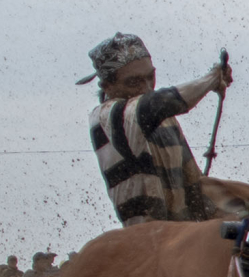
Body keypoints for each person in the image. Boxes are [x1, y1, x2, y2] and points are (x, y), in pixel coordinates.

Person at [78, 32, 233, 226]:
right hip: (146, 243)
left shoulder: (167, 122)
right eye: (134, 82)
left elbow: (196, 188)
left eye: (151, 77)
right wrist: (212, 78)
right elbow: (161, 102)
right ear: (107, 86)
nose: (147, 87)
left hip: (182, 237)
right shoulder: (106, 117)